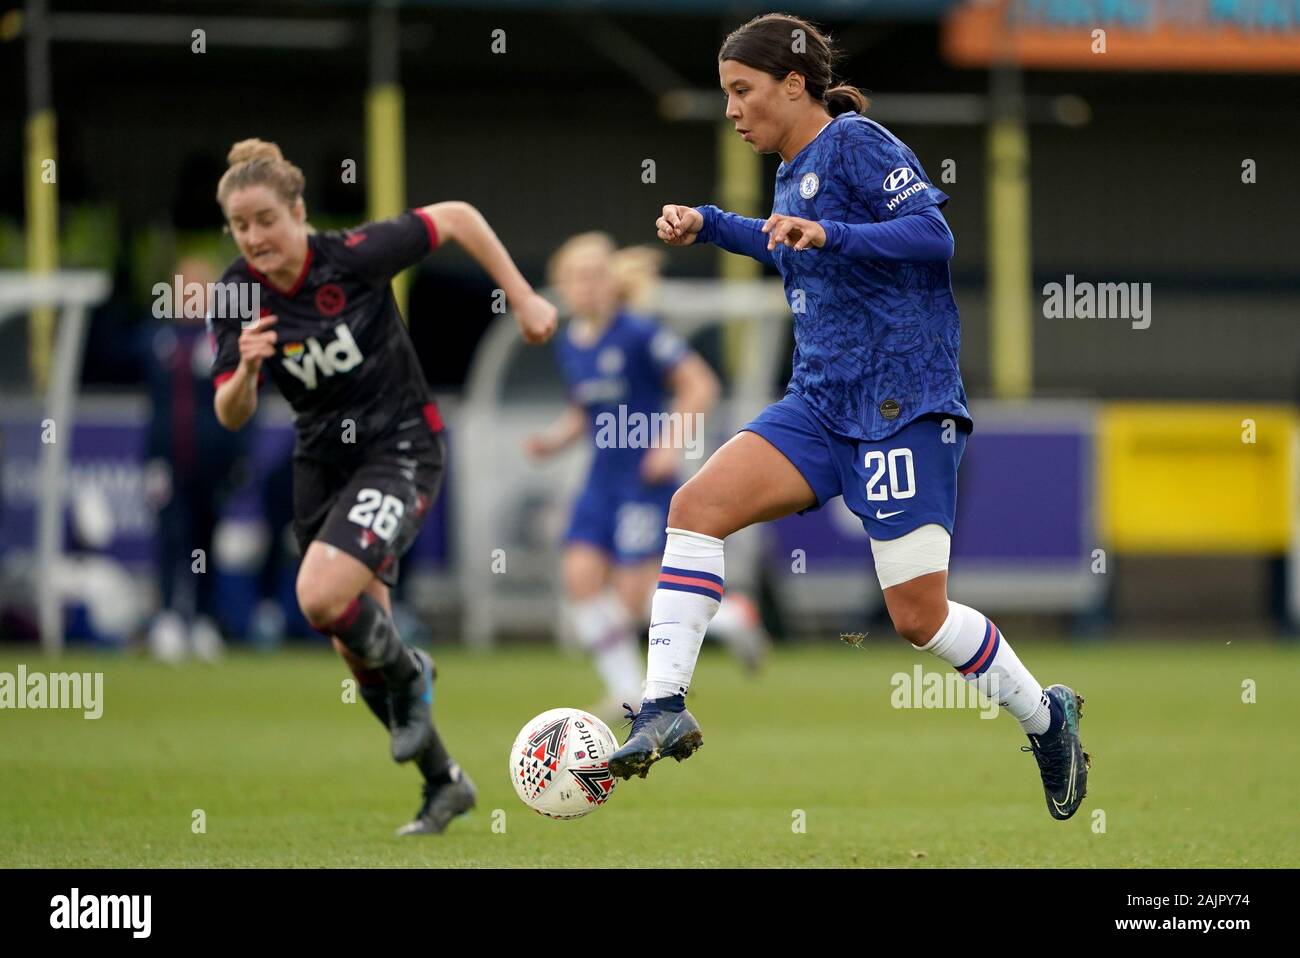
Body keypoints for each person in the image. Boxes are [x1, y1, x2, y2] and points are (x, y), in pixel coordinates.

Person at [609, 13, 1090, 821]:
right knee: (695, 509)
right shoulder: (791, 167)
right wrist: (707, 223)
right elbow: (784, 243)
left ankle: (1048, 718)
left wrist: (829, 230)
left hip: (901, 405)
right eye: (725, 93)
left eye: (742, 90)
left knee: (918, 618)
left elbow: (932, 237)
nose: (731, 109)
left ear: (793, 84)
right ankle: (663, 705)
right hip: (820, 403)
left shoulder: (858, 142)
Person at [208, 138, 556, 835]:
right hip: (321, 465)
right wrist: (245, 372)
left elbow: (455, 215)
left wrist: (522, 297)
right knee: (354, 638)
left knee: (318, 596)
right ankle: (444, 782)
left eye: (266, 220)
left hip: (398, 446)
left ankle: (413, 677)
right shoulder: (236, 293)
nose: (254, 237)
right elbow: (229, 411)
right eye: (240, 226)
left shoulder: (354, 255)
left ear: (298, 211)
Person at [526, 234, 765, 718]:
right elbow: (584, 407)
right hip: (600, 479)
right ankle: (626, 688)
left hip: (644, 479)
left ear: (612, 282)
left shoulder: (639, 333)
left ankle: (731, 617)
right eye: (575, 277)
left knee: (633, 600)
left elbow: (700, 385)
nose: (586, 286)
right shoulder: (571, 342)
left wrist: (669, 443)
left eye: (595, 275)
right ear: (562, 286)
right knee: (580, 580)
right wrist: (554, 440)